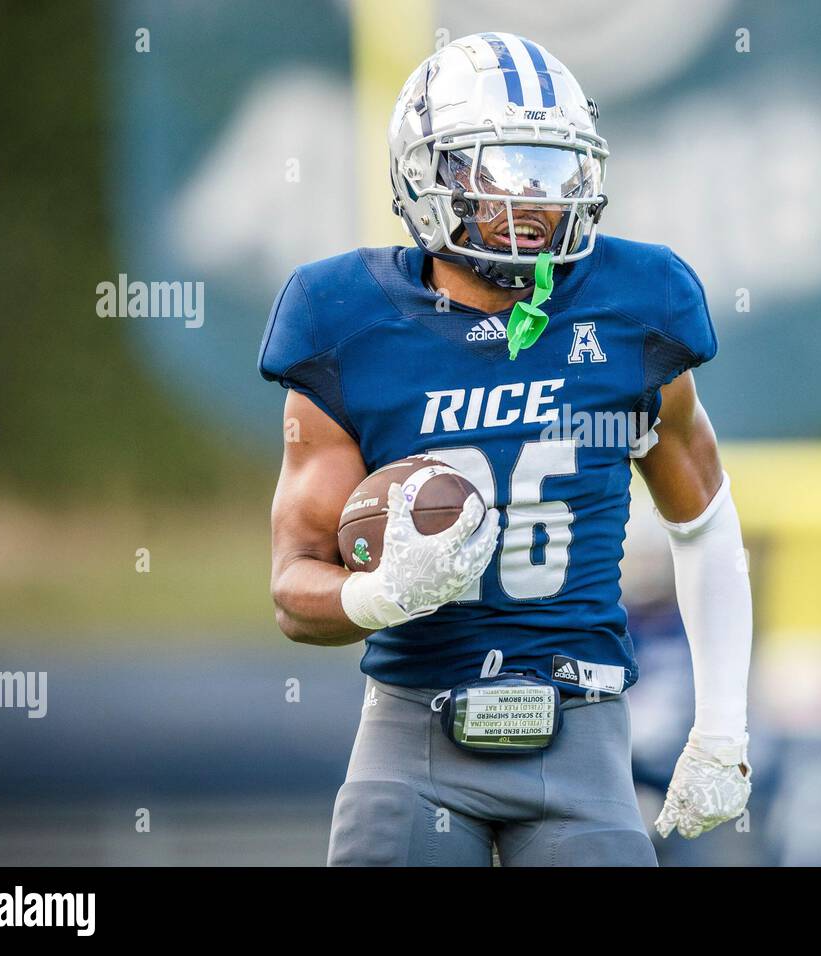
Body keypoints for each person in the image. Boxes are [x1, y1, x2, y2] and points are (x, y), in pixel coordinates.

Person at [260, 32, 752, 866]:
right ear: (431, 181)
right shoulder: (342, 318)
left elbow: (703, 518)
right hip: (415, 731)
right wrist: (379, 597)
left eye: (555, 175)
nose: (538, 204)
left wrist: (723, 727)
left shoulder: (637, 303)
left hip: (584, 729)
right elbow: (292, 586)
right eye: (506, 175)